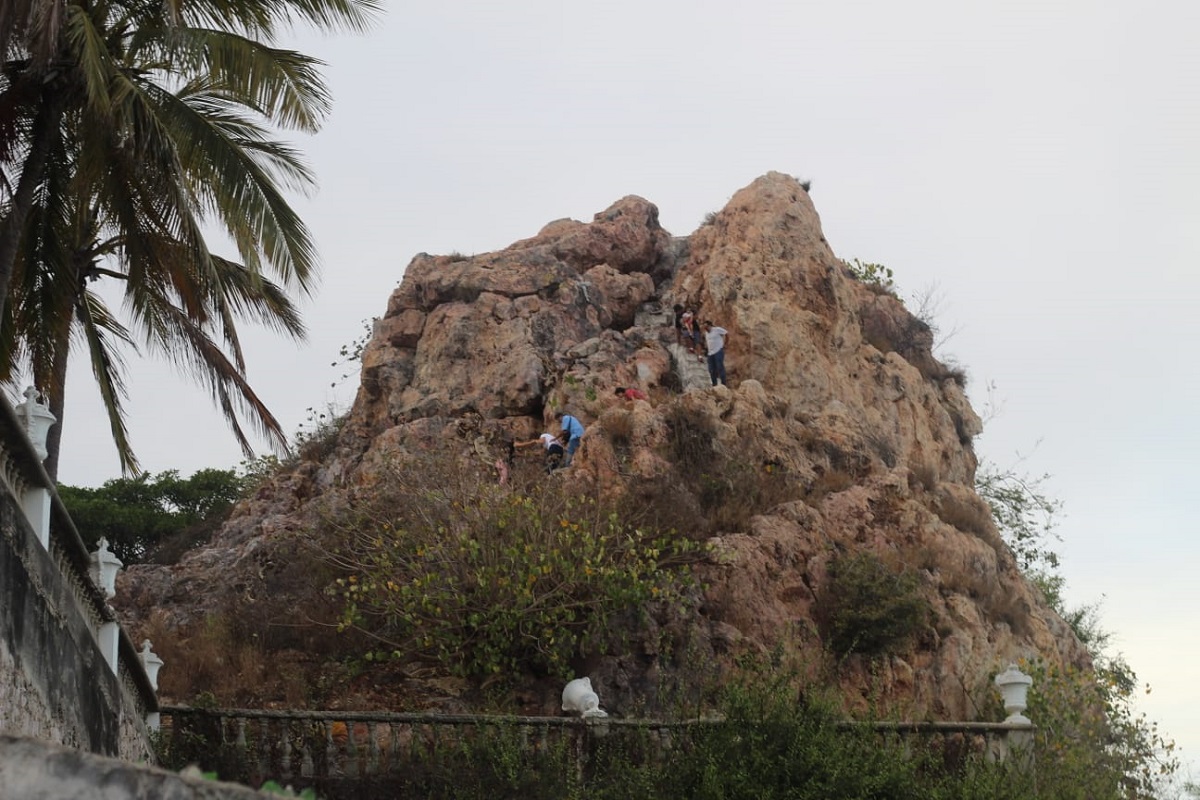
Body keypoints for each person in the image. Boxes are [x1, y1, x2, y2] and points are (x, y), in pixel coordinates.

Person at [703, 320, 729, 386]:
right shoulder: (706, 333)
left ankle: (724, 384)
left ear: (710, 326)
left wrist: (725, 344)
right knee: (711, 369)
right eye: (704, 327)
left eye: (706, 327)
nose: (705, 328)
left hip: (718, 351)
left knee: (720, 367)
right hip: (710, 353)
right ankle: (714, 384)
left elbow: (726, 333)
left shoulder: (717, 330)